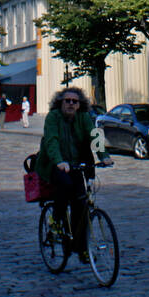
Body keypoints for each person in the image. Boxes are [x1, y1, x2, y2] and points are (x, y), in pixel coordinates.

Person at [36, 88, 112, 263]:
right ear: (60, 102)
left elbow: (94, 136)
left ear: (79, 105)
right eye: (67, 101)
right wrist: (58, 161)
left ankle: (81, 248)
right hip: (55, 164)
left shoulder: (83, 117)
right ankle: (55, 219)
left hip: (76, 164)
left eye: (74, 101)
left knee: (81, 204)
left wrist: (104, 156)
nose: (71, 104)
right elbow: (51, 140)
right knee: (65, 185)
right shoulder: (53, 117)